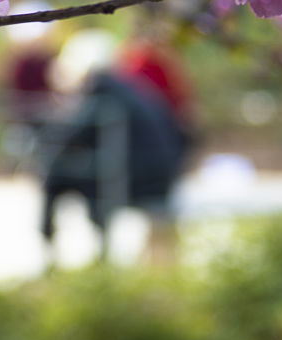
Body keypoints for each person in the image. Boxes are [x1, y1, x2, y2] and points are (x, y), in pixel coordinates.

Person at [37, 32, 194, 261]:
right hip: (159, 175)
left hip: (140, 180)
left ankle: (60, 251)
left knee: (55, 176)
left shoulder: (102, 87)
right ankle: (89, 250)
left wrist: (45, 133)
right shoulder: (124, 85)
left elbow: (72, 133)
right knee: (72, 172)